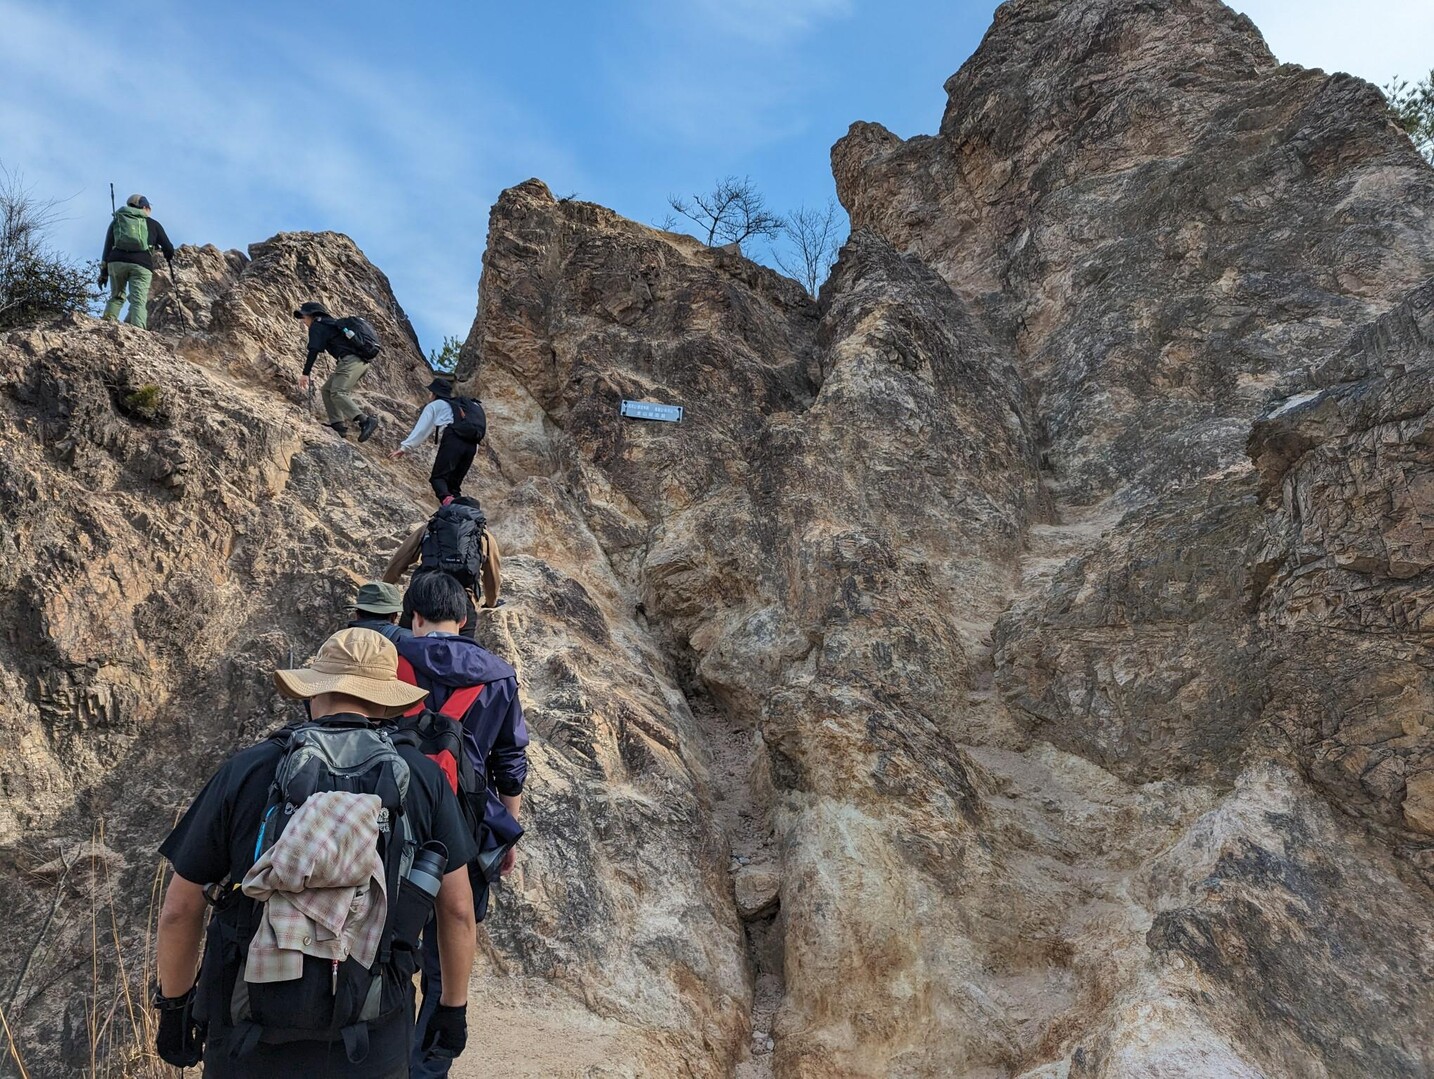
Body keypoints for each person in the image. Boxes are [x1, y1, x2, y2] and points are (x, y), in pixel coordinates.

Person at [153, 628, 477, 1077]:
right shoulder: (422, 779)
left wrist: (174, 1007)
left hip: (248, 1039)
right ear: (385, 702)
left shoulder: (249, 769)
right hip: (372, 1039)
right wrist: (452, 1008)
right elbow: (458, 911)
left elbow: (179, 909)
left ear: (313, 691)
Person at [395, 572, 527, 1079]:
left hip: (394, 823)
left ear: (414, 616)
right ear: (466, 620)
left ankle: (387, 1055)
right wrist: (508, 831)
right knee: (448, 941)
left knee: (387, 946)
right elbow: (509, 761)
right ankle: (428, 1064)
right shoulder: (497, 676)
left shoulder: (393, 657)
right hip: (464, 830)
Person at [384, 498, 503, 638]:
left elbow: (399, 560)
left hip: (422, 591)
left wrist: (386, 585)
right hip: (461, 598)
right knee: (461, 650)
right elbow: (492, 576)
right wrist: (491, 602)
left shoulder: (430, 527)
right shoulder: (484, 536)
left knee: (404, 643)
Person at [293, 301, 380, 442]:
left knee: (338, 392)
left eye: (303, 317)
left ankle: (366, 421)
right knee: (327, 390)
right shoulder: (331, 324)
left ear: (311, 315)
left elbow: (313, 350)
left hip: (351, 361)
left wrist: (305, 373)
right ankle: (338, 426)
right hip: (359, 362)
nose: (303, 321)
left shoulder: (318, 325)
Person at [390, 378, 483, 504]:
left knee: (438, 479)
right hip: (472, 446)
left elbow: (422, 429)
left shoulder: (436, 405)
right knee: (453, 487)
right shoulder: (463, 407)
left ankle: (450, 507)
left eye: (430, 392)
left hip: (454, 441)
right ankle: (462, 512)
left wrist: (405, 448)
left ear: (434, 393)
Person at [100, 194, 175, 330]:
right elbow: (168, 248)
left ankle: (106, 324)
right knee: (138, 301)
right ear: (145, 208)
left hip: (116, 262)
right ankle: (139, 332)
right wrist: (168, 256)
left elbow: (107, 247)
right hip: (141, 264)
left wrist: (103, 272)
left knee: (116, 297)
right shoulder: (153, 224)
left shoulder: (117, 221)